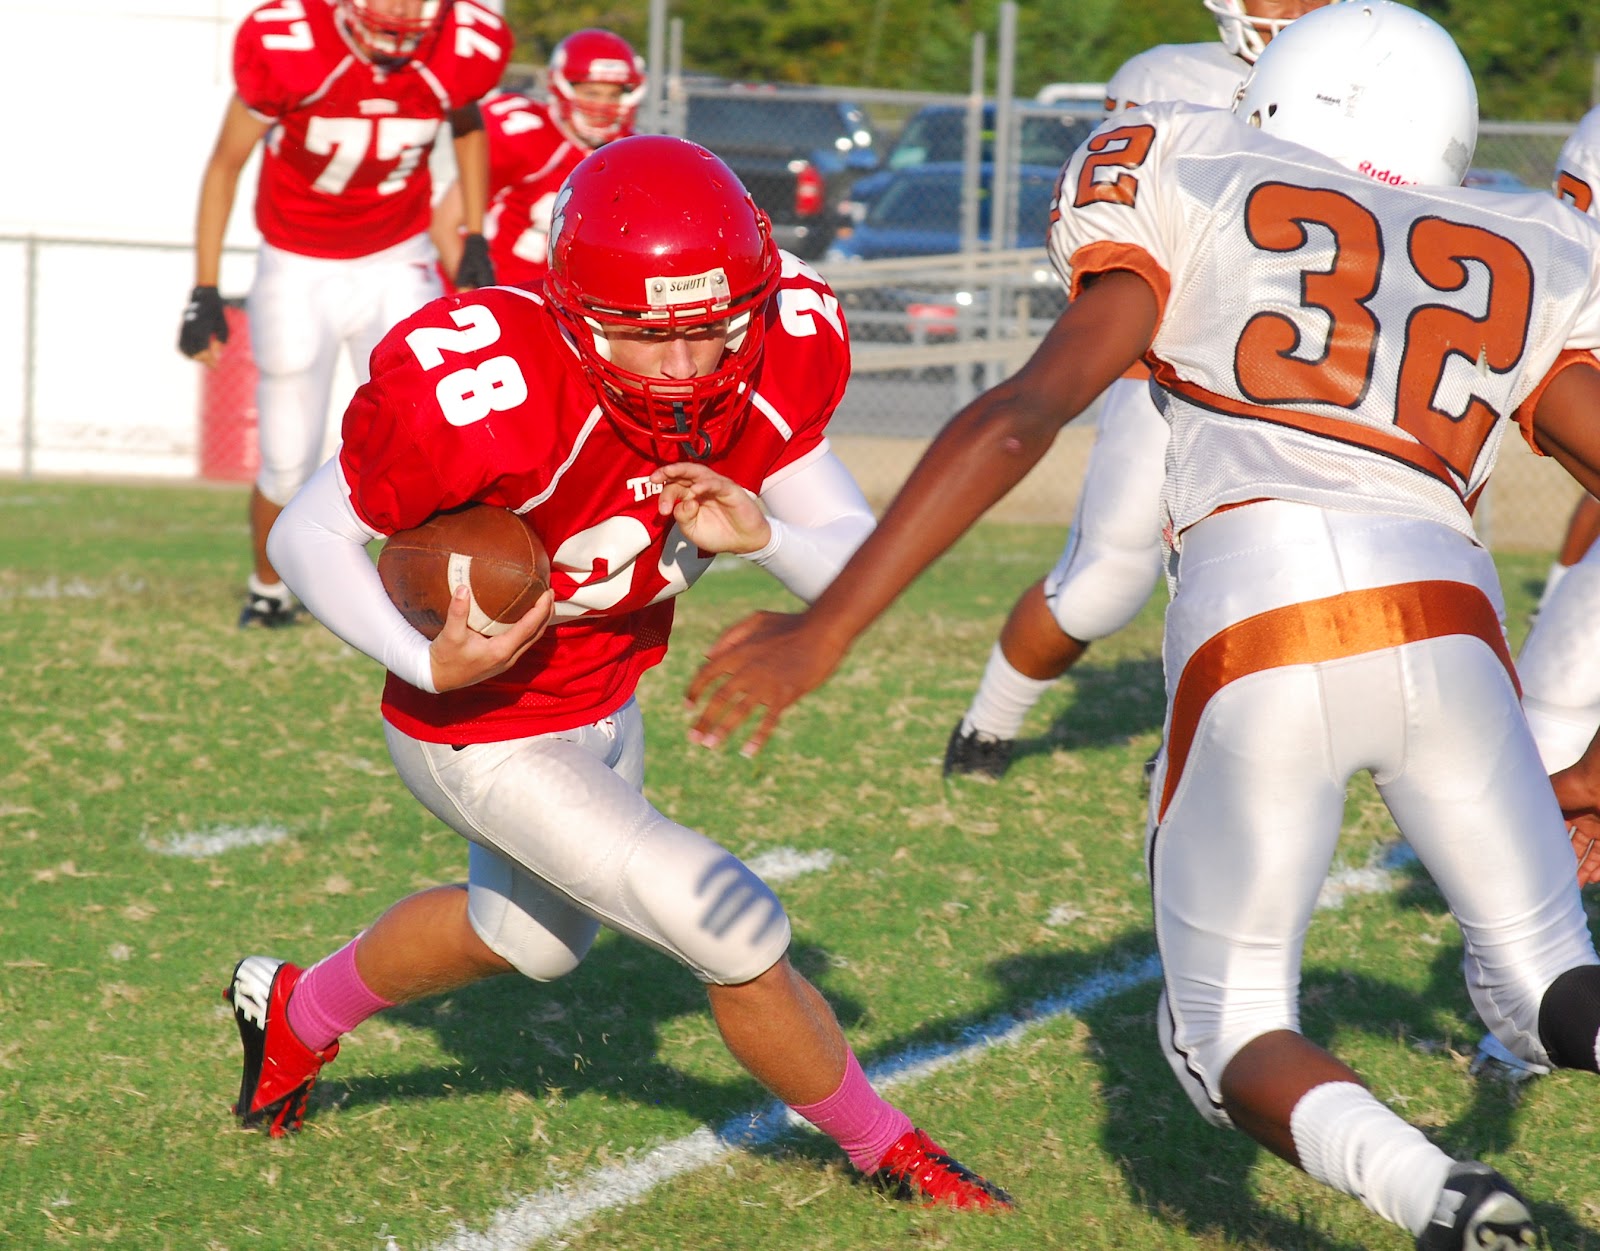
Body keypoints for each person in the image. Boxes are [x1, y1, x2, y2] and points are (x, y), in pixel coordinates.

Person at [683, 5, 1600, 1246]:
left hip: (1260, 611)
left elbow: (1023, 413)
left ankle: (1438, 1198)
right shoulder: (1528, 241)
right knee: (1548, 985)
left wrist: (830, 623)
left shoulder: (1189, 165)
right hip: (1452, 621)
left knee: (1220, 1029)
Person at [221, 135, 1012, 1212]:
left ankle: (299, 1012)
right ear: (576, 311)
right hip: (479, 726)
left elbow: (856, 560)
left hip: (606, 698)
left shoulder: (772, 357)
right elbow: (311, 534)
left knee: (527, 943)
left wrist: (763, 531)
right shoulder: (490, 384)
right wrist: (425, 658)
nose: (686, 368)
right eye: (648, 338)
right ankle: (896, 1155)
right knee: (728, 923)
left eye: (710, 330)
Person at [944, 0, 1343, 780]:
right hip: (1173, 363)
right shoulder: (1166, 79)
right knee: (1102, 584)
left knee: (1284, 572)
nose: (1294, 8)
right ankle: (985, 726)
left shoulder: (1385, 77)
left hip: (1315, 376)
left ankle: (1213, 741)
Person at [178, 0, 513, 628]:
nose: (402, 10)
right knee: (286, 453)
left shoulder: (457, 49)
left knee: (430, 430)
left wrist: (473, 234)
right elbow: (225, 164)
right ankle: (269, 588)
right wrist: (204, 287)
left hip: (397, 256)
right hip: (297, 262)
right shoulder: (291, 45)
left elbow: (466, 122)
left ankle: (425, 589)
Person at [432, 28, 646, 289]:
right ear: (561, 87)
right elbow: (445, 225)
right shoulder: (525, 134)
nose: (602, 106)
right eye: (591, 93)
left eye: (613, 95)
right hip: (496, 291)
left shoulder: (627, 153)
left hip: (568, 304)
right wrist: (474, 300)